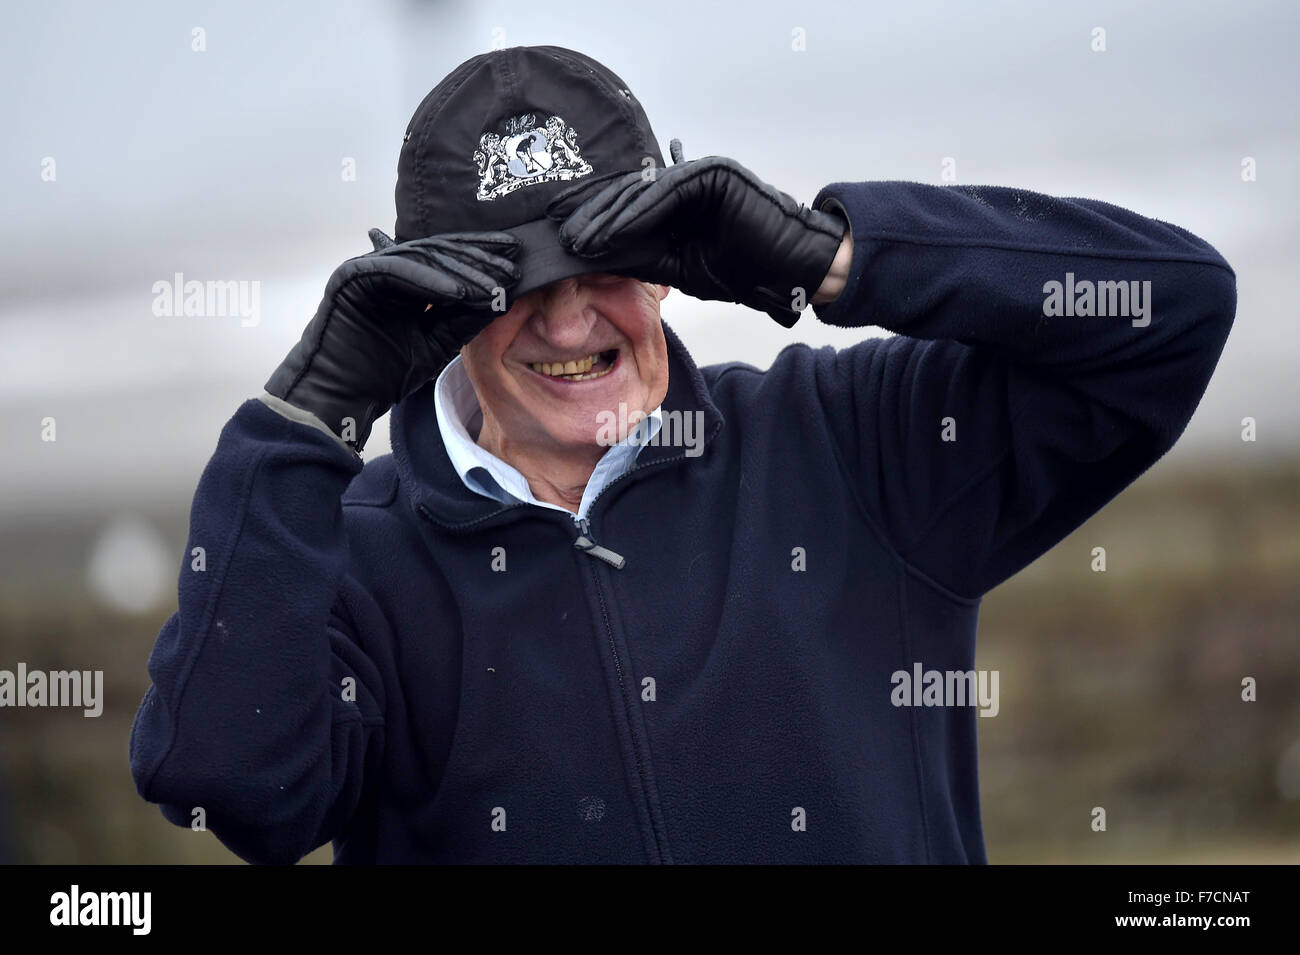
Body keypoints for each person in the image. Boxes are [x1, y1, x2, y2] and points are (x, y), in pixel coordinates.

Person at [129, 45, 1236, 864]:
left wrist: (833, 255)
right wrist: (308, 414)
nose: (567, 326)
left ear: (672, 260)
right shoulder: (355, 563)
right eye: (511, 285)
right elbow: (227, 781)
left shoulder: (855, 445)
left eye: (607, 262)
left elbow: (1169, 312)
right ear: (429, 302)